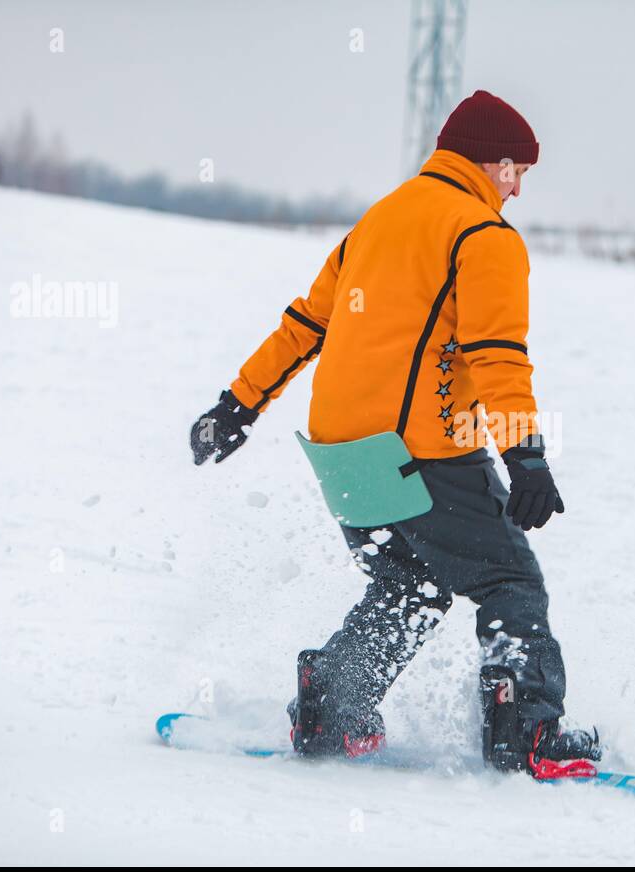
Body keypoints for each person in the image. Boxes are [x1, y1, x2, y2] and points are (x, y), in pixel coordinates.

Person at [189, 90, 601, 779]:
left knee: (410, 587)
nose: (519, 187)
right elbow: (496, 353)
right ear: (484, 162)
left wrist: (236, 406)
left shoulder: (376, 222)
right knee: (507, 578)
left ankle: (333, 706)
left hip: (342, 458)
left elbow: (304, 328)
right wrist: (525, 458)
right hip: (424, 456)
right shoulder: (479, 234)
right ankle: (526, 733)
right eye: (513, 169)